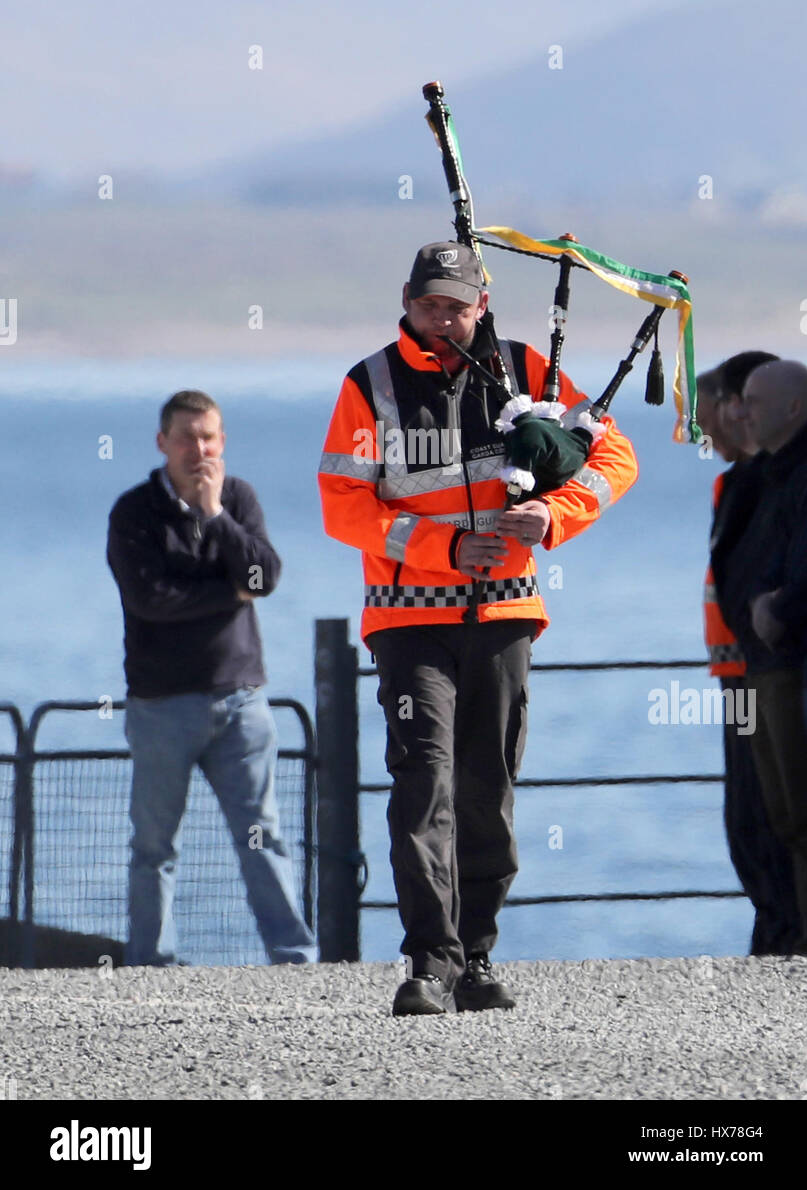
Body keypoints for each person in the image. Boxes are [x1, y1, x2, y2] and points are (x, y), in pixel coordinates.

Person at [319, 241, 638, 1015]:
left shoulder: (531, 374)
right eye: (428, 305)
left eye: (454, 307)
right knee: (422, 781)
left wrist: (553, 517)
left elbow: (615, 455)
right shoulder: (369, 385)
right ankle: (428, 962)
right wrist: (446, 547)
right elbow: (344, 507)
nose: (440, 320)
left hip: (503, 616)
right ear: (406, 298)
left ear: (481, 303)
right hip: (406, 622)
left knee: (486, 791)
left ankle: (476, 957)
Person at [107, 389, 315, 966]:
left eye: (209, 437)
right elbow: (151, 600)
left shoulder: (238, 499)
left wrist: (216, 516)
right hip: (160, 706)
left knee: (262, 836)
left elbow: (264, 574)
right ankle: (151, 962)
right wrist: (230, 593)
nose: (199, 449)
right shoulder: (134, 511)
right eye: (186, 437)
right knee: (155, 845)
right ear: (163, 443)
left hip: (240, 702)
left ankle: (293, 958)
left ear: (221, 441)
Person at [696, 357, 799, 954]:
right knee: (747, 813)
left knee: (768, 811)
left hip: (757, 674)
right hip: (736, 677)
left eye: (705, 408)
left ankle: (786, 937)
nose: (700, 427)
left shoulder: (770, 481)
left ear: (737, 404)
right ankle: (775, 932)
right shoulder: (732, 482)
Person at [720, 359, 807, 953]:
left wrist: (779, 609)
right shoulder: (766, 474)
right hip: (754, 665)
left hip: (787, 663)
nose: (740, 411)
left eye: (751, 400)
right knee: (780, 816)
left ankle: (800, 938)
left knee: (801, 813)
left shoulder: (801, 474)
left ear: (793, 409)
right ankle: (794, 935)